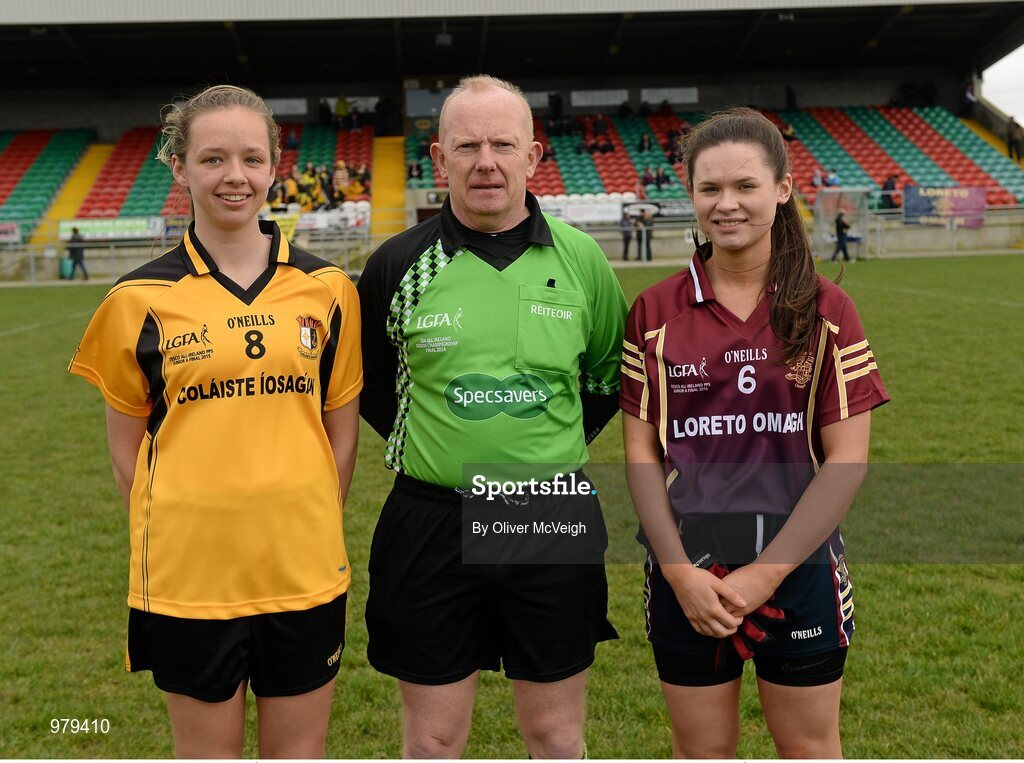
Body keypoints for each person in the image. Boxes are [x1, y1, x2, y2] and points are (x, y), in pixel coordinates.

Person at [67, 84, 362, 758]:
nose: (236, 176)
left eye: (252, 159)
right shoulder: (134, 299)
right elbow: (126, 452)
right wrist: (186, 529)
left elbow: (341, 437)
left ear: (275, 166)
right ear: (180, 167)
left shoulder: (330, 290)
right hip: (188, 577)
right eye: (214, 159)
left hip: (303, 568)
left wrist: (303, 516)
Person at [357, 74, 625, 759]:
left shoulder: (582, 259)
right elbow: (373, 388)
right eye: (467, 145)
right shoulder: (396, 265)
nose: (486, 161)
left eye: (503, 144)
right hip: (432, 516)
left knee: (557, 735)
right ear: (439, 159)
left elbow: (603, 378)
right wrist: (449, 447)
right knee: (433, 739)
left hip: (547, 508)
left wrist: (538, 445)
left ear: (533, 156)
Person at [621, 107, 888, 758]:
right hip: (689, 569)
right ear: (690, 194)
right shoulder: (654, 312)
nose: (727, 203)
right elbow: (639, 455)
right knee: (701, 751)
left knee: (810, 748)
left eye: (745, 186)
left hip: (799, 566)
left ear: (782, 189)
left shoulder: (829, 309)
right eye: (709, 188)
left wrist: (767, 574)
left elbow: (847, 459)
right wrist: (680, 572)